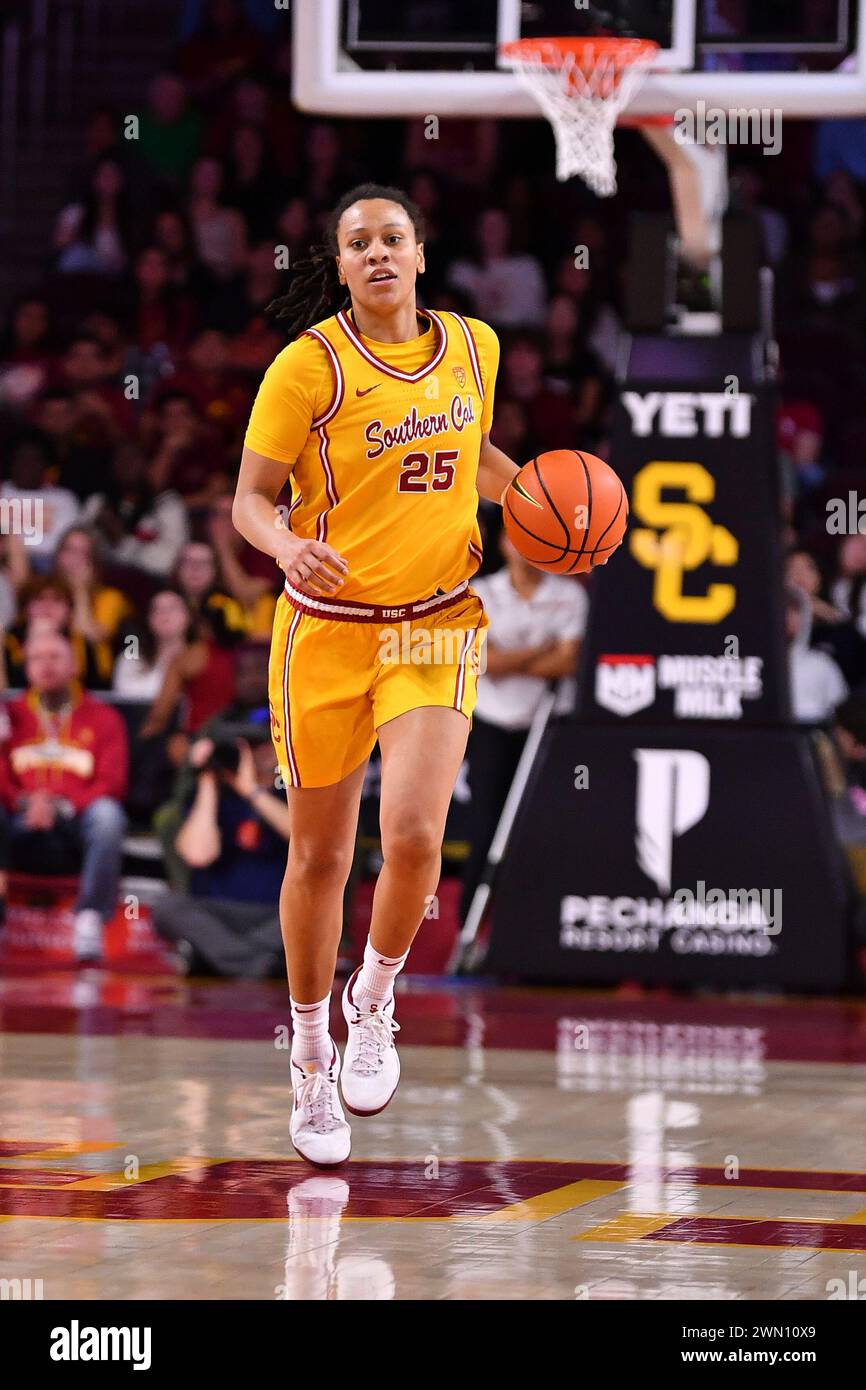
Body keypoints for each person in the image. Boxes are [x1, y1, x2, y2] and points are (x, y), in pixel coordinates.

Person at [232, 182, 525, 1166]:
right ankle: (309, 1051)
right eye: (357, 243)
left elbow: (470, 451)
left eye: (392, 237)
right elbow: (247, 500)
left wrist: (530, 496)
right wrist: (282, 545)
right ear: (341, 264)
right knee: (318, 859)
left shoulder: (476, 347)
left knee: (412, 836)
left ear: (421, 253)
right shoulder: (304, 368)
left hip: (435, 623)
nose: (377, 254)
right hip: (325, 629)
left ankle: (375, 997)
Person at [461, 533, 587, 923]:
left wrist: (508, 659)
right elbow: (479, 660)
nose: (525, 550)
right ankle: (470, 920)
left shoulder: (570, 595)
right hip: (492, 724)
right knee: (485, 822)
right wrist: (540, 651)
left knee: (542, 824)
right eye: (517, 540)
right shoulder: (480, 593)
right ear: (502, 545)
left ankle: (533, 922)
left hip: (548, 726)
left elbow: (567, 663)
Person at [0, 629, 128, 961]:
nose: (46, 666)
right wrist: (23, 801)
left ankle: (89, 919)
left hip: (75, 820)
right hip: (19, 817)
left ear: (74, 666)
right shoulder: (9, 715)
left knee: (109, 816)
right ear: (26, 668)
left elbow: (112, 782)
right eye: (37, 658)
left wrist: (61, 806)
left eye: (55, 657)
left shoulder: (104, 717)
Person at [151, 731, 287, 978]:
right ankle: (257, 964)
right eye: (245, 750)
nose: (257, 754)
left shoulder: (286, 792)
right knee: (166, 907)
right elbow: (198, 854)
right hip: (215, 913)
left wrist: (252, 791)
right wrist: (207, 780)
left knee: (315, 915)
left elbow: (301, 837)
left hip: (275, 914)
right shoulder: (209, 794)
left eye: (260, 746)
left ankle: (218, 959)